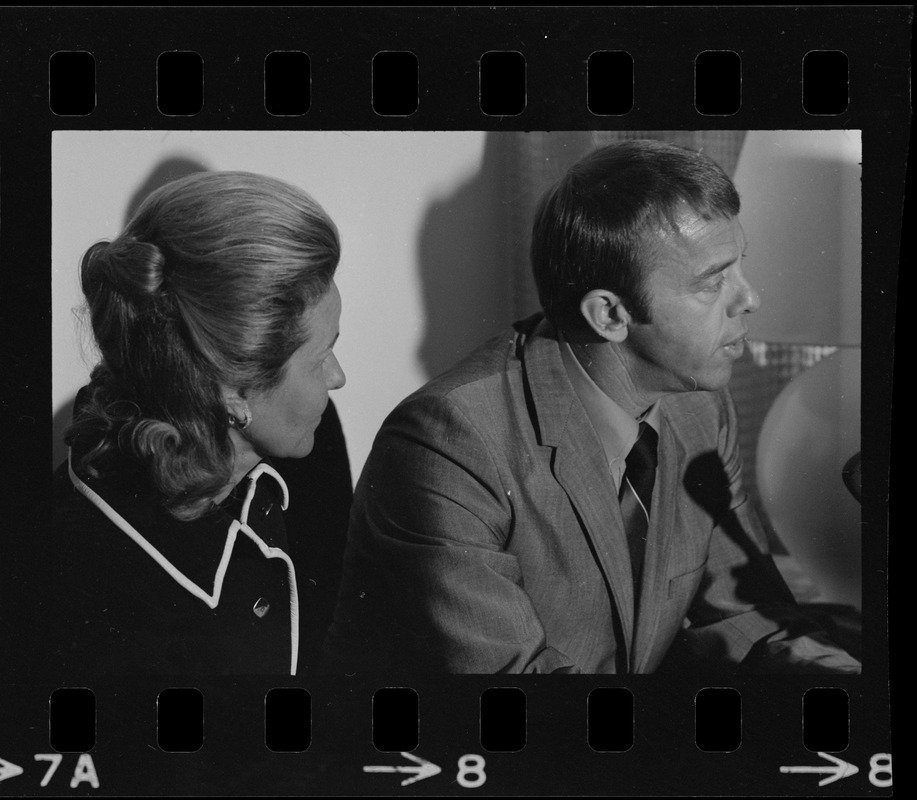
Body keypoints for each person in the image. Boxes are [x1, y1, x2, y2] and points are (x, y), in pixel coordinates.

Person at [322, 139, 861, 675]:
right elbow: (518, 694)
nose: (749, 298)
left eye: (740, 266)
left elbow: (744, 620)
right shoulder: (450, 442)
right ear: (609, 315)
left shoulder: (701, 410)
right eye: (714, 281)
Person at [41, 171, 350, 676]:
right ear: (231, 391)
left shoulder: (310, 435)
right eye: (321, 358)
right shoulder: (75, 584)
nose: (338, 379)